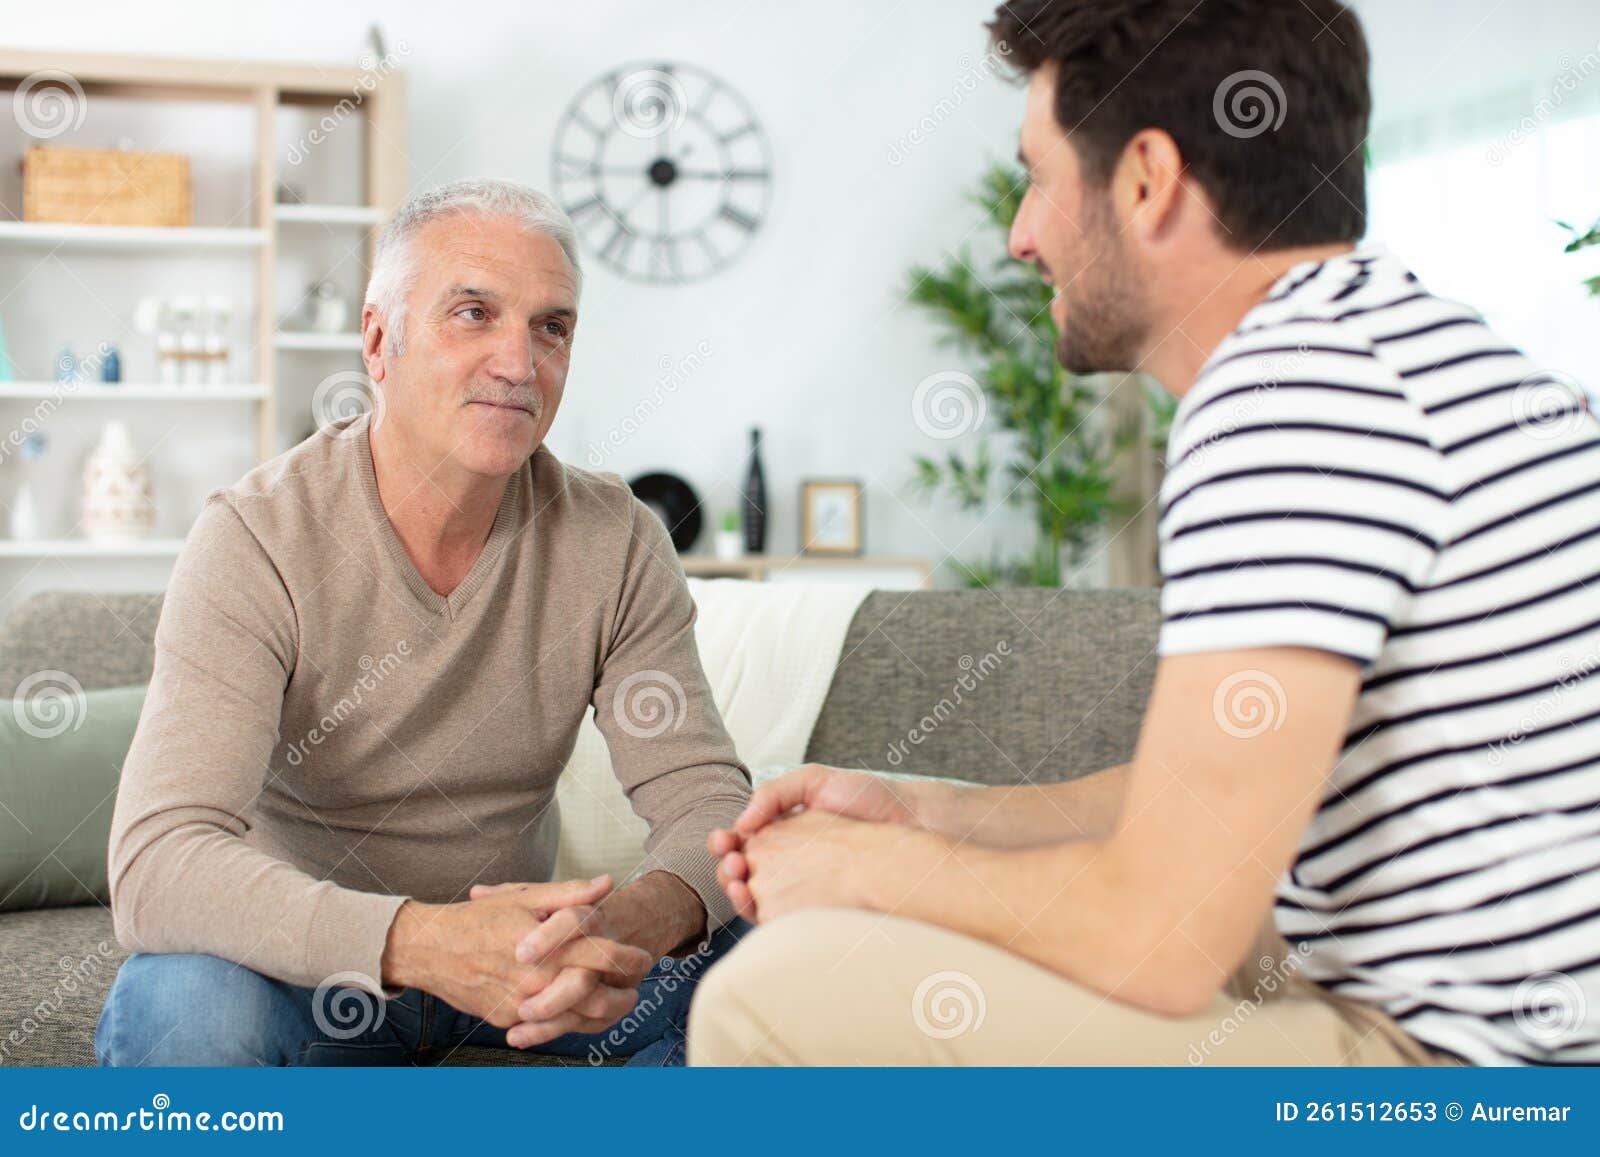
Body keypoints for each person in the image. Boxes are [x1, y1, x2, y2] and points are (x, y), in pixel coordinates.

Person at [692, 0, 1600, 1067]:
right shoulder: (1397, 351)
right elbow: (1201, 801)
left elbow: (1156, 936)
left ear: (1145, 179)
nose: (1019, 235)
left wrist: (858, 871)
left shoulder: (1290, 405)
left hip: (1485, 1086)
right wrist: (918, 812)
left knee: (772, 998)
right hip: (1458, 1018)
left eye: (1037, 175)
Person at [96, 179, 750, 1067]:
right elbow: (159, 862)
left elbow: (706, 805)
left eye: (550, 326)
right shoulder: (256, 537)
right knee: (183, 1002)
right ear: (378, 340)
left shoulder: (617, 541)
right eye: (474, 313)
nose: (519, 363)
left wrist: (618, 926)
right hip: (314, 974)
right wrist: (427, 943)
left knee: (769, 947)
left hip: (530, 970)